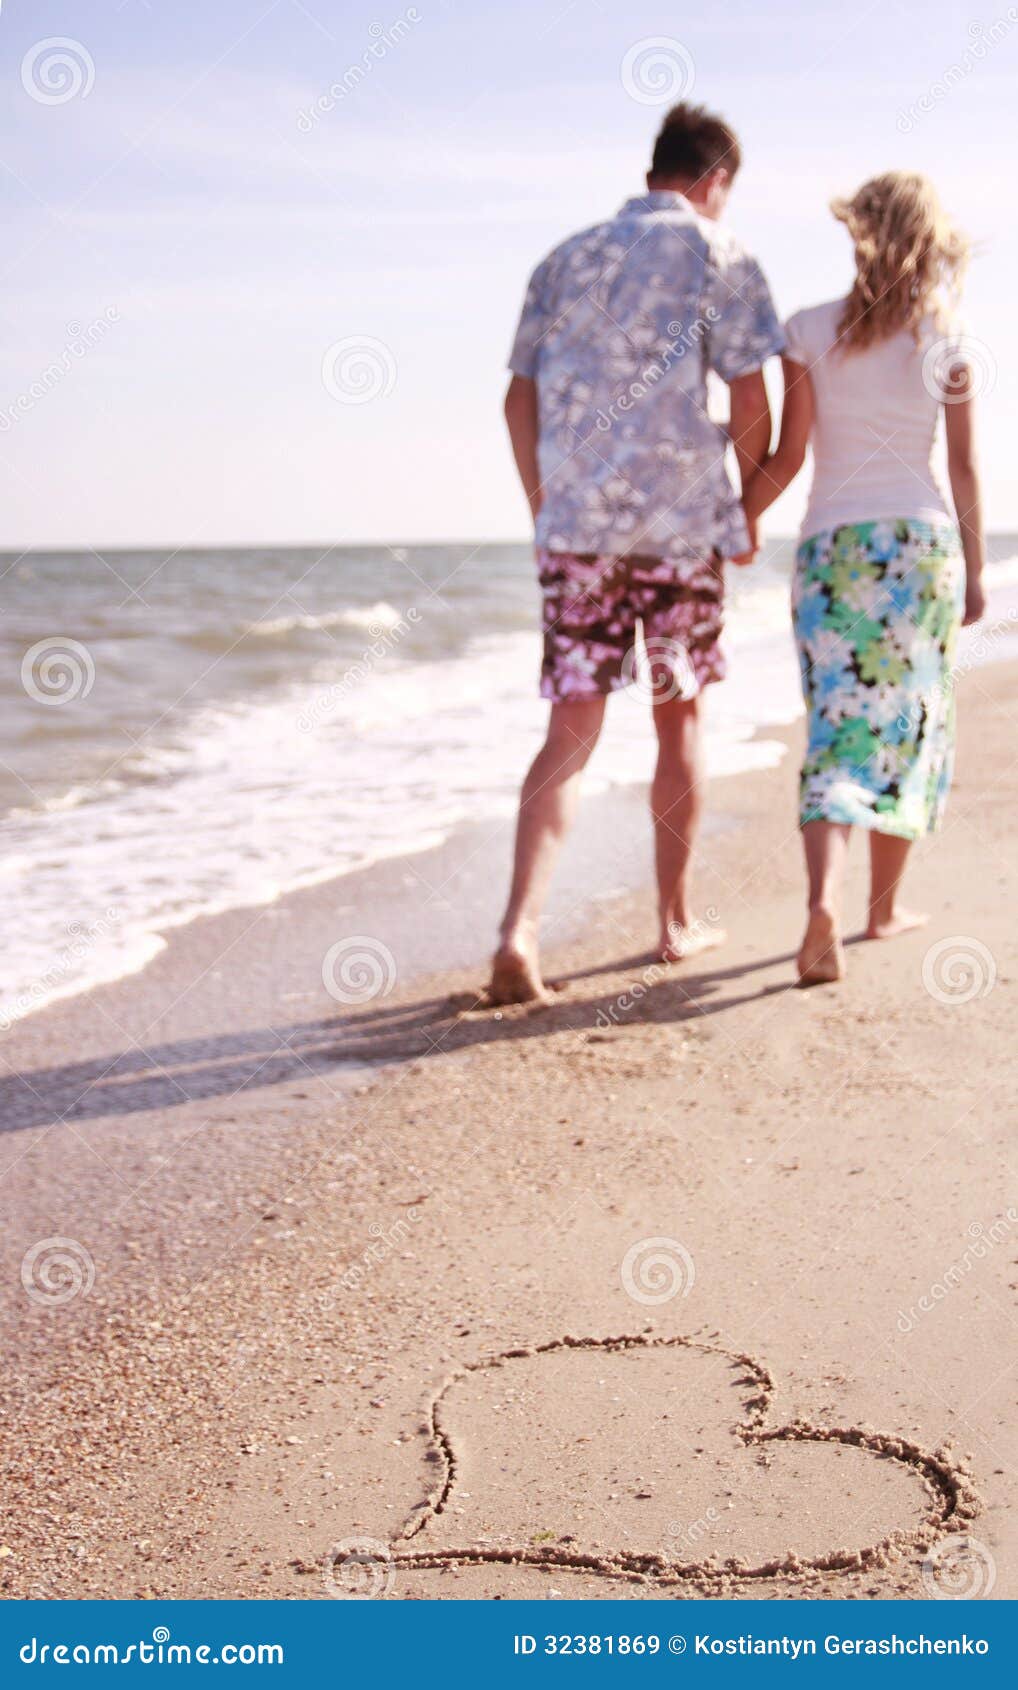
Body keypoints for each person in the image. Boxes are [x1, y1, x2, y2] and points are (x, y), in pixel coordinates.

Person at [490, 102, 785, 1004]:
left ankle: (518, 931)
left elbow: (516, 404)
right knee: (678, 717)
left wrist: (554, 512)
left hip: (577, 534)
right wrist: (745, 511)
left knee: (571, 730)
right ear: (715, 179)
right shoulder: (717, 251)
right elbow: (751, 404)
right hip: (678, 531)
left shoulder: (563, 258)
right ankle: (672, 923)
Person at [743, 172, 986, 985]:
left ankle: (826, 903)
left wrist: (738, 516)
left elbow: (790, 454)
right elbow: (963, 470)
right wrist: (978, 573)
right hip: (921, 549)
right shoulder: (946, 340)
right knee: (911, 728)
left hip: (832, 548)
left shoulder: (809, 330)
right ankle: (883, 911)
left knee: (837, 730)